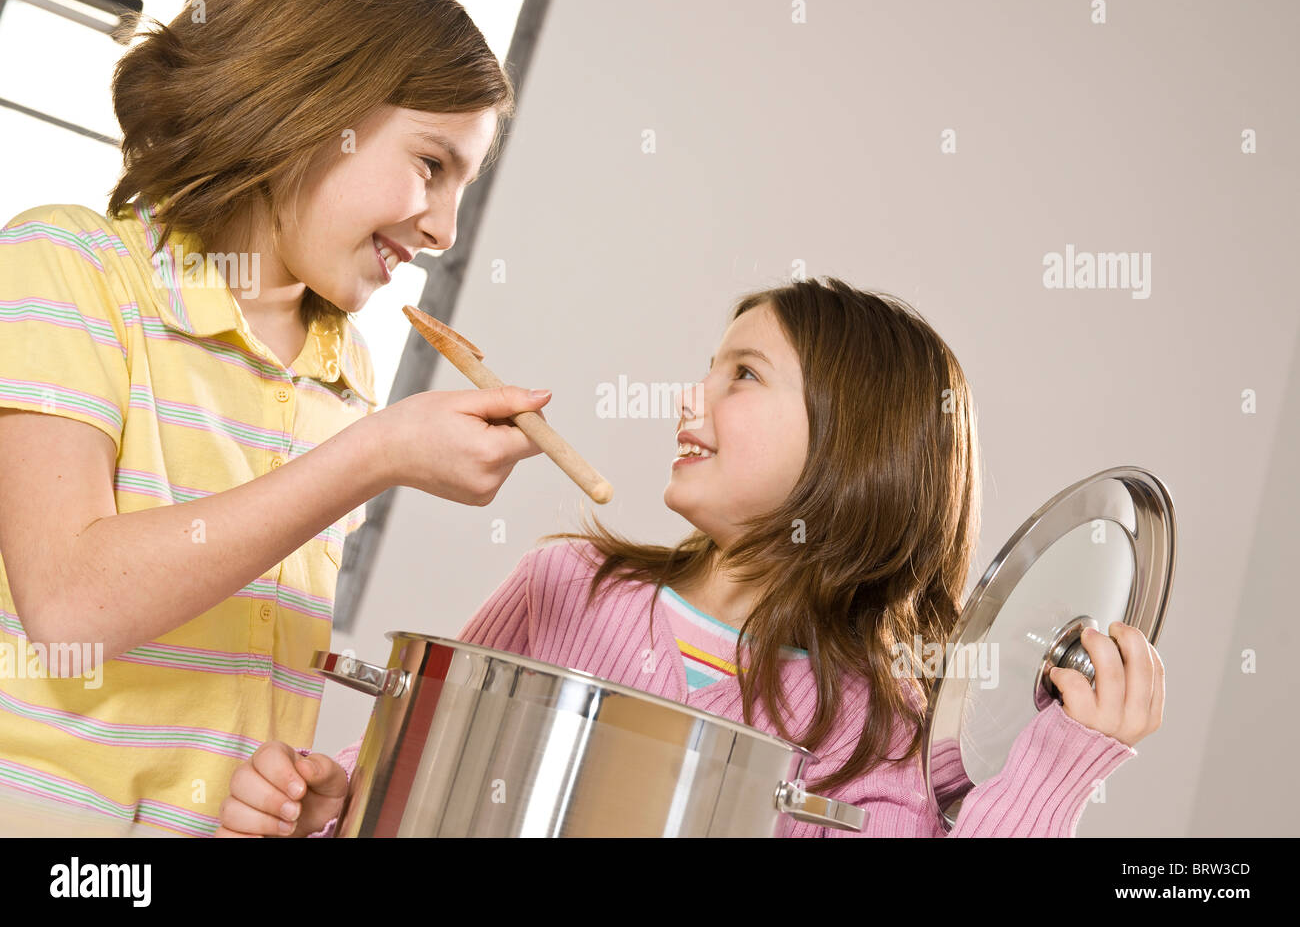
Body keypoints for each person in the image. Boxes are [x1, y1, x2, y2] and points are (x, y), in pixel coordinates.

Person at [217, 279, 1166, 838]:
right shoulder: (566, 590)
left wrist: (1063, 762)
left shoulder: (885, 737)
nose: (689, 400)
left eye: (743, 375)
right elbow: (428, 769)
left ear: (858, 446)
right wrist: (333, 797)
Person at [0, 0, 551, 836]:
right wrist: (374, 457)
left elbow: (231, 689)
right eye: (431, 165)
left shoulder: (350, 374)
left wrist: (289, 796)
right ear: (309, 105)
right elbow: (71, 602)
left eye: (463, 188)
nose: (444, 229)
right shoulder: (67, 267)